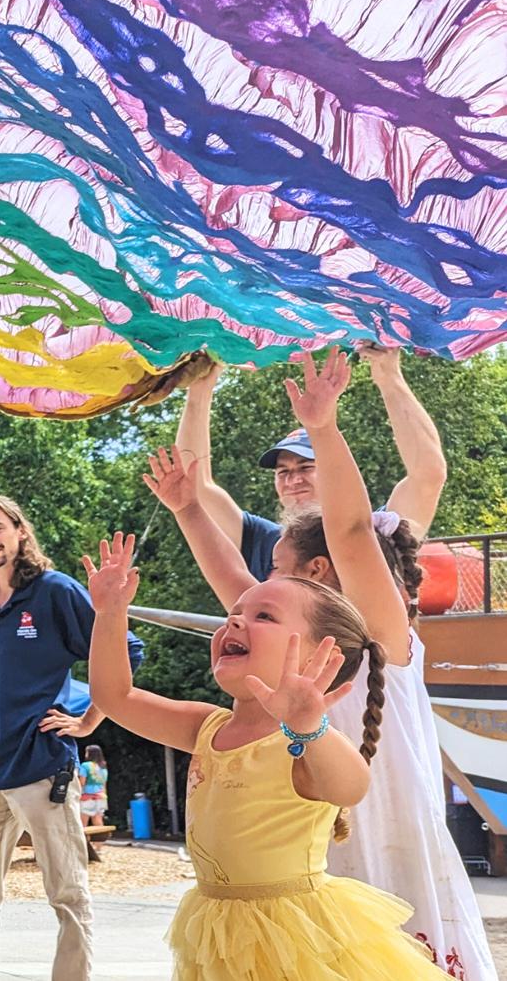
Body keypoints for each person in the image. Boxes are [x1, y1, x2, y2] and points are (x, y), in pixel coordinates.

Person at [149, 349, 496, 979]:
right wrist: (188, 509)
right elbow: (229, 572)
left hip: (387, 838)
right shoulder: (284, 633)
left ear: (317, 571)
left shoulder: (382, 636)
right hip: (306, 851)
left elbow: (353, 530)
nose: (261, 588)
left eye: (277, 570)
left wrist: (324, 427)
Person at [88, 531, 448, 980]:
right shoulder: (208, 727)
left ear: (318, 656)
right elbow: (115, 696)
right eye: (233, 613)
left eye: (263, 616)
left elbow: (351, 786)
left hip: (297, 938)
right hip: (219, 930)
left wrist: (309, 727)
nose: (233, 622)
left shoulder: (302, 740)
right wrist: (110, 613)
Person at [0, 495, 145, 981]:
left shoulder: (55, 591)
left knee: (68, 893)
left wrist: (89, 721)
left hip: (44, 765)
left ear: (19, 532)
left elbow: (125, 650)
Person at [176, 346, 447, 580]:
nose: (292, 480)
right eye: (283, 472)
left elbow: (428, 475)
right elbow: (195, 485)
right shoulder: (265, 543)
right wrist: (201, 388)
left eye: (305, 468)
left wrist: (389, 376)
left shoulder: (376, 534)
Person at [78, 745, 108, 833]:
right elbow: (104, 783)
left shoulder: (85, 765)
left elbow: (82, 782)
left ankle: (84, 844)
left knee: (83, 822)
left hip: (87, 796)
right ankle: (98, 845)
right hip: (101, 795)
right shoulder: (103, 766)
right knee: (98, 821)